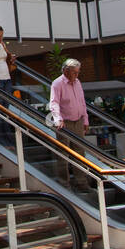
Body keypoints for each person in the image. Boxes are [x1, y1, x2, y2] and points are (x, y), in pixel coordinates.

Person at [48, 57, 89, 189]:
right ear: (66, 71)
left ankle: (81, 182)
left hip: (78, 121)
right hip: (64, 123)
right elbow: (54, 103)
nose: (77, 75)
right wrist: (58, 119)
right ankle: (64, 183)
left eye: (78, 72)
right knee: (63, 154)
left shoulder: (77, 82)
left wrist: (85, 120)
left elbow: (82, 102)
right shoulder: (57, 83)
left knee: (80, 153)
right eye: (74, 72)